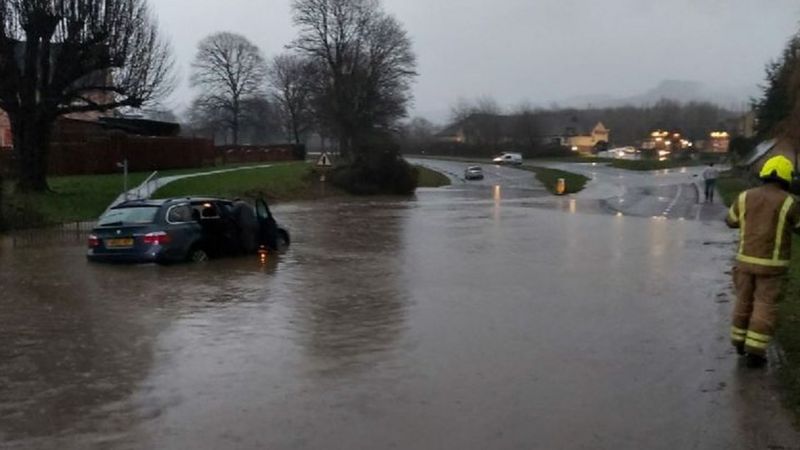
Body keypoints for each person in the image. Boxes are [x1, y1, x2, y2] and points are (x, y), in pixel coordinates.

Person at [726, 155, 800, 368]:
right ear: (787, 178)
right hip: (772, 266)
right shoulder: (789, 201)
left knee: (743, 301)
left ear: (764, 174)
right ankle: (755, 352)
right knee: (764, 306)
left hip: (744, 262)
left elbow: (731, 221)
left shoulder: (744, 196)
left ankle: (739, 342)